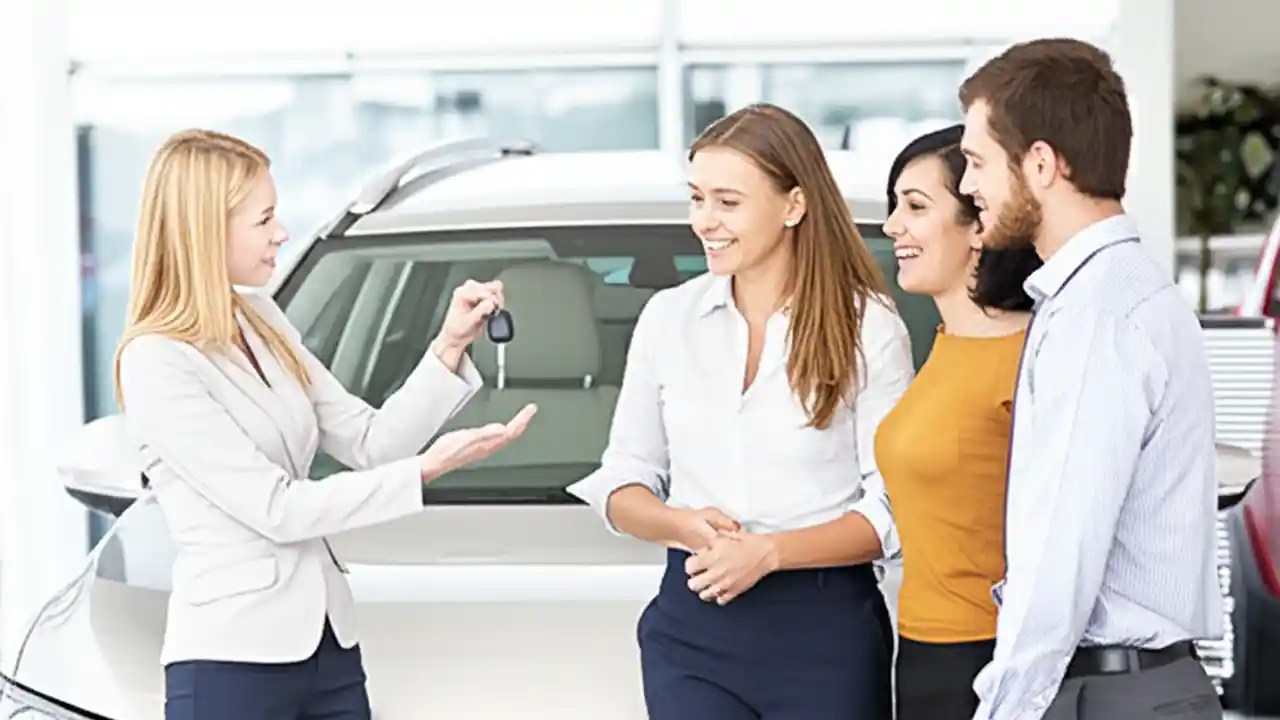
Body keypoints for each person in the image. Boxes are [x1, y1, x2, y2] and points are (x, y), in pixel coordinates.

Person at [113, 128, 537, 720]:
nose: (281, 233)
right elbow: (277, 509)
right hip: (233, 663)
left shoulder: (261, 317)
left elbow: (370, 442)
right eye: (264, 219)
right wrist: (429, 469)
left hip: (329, 651)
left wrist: (447, 346)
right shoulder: (156, 361)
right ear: (205, 228)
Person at [567, 103, 914, 720]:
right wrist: (681, 526)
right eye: (697, 198)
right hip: (691, 625)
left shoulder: (869, 327)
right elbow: (623, 478)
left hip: (824, 633)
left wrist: (771, 552)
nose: (705, 221)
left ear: (793, 205)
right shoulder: (668, 319)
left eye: (727, 202)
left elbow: (893, 509)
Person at [955, 39, 1223, 720]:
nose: (967, 186)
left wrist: (1003, 710)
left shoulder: (1097, 316)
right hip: (1127, 687)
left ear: (1041, 164)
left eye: (978, 161)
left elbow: (1059, 552)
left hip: (1109, 693)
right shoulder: (1113, 296)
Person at [875, 124, 1041, 720]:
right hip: (923, 652)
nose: (893, 225)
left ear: (981, 226)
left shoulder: (1029, 359)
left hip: (994, 659)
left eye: (916, 207)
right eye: (895, 206)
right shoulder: (945, 347)